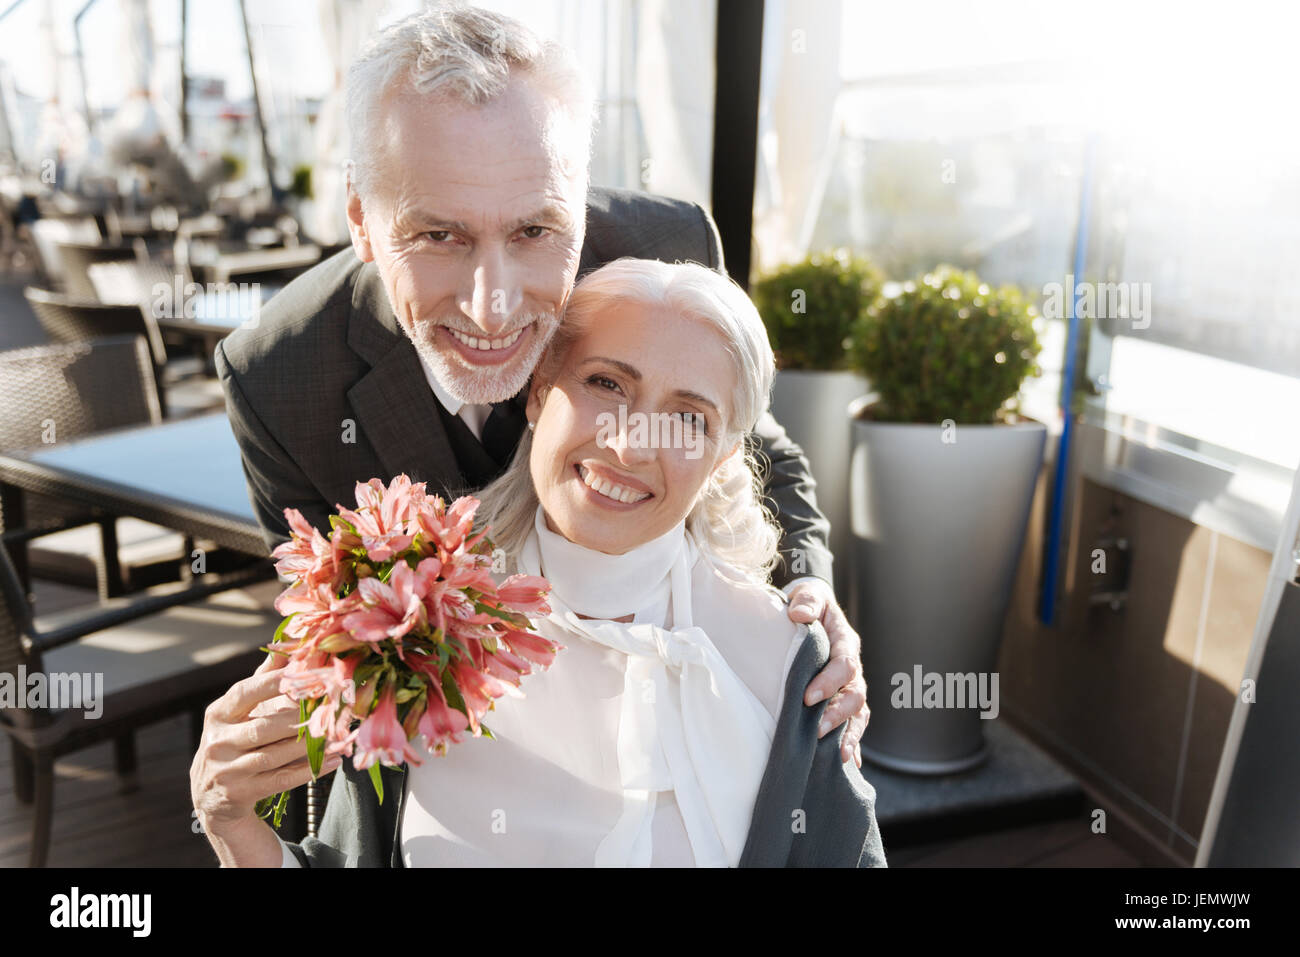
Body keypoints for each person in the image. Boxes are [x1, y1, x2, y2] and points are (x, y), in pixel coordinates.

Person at [213, 4, 869, 764]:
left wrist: (811, 604)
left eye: (534, 231)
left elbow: (759, 451)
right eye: (439, 235)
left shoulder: (665, 248)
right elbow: (330, 623)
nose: (493, 307)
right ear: (361, 217)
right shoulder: (278, 375)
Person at [196, 258, 886, 867]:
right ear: (535, 391)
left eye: (687, 419)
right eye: (607, 382)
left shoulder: (791, 665)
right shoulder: (406, 628)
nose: (628, 443)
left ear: (724, 459)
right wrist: (230, 822)